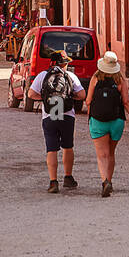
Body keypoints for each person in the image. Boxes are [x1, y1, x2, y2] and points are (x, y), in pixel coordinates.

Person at [29, 53, 86, 193]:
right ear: (64, 64)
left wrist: (45, 99)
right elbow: (82, 95)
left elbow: (31, 94)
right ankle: (68, 177)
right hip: (67, 115)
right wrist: (68, 96)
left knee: (51, 149)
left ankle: (53, 182)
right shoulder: (70, 76)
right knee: (67, 147)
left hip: (49, 115)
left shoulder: (43, 75)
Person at [86, 52, 129, 196]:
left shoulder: (95, 78)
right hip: (117, 121)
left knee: (101, 155)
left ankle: (105, 181)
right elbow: (126, 102)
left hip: (98, 121)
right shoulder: (120, 80)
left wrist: (91, 116)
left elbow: (88, 101)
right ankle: (109, 180)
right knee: (111, 153)